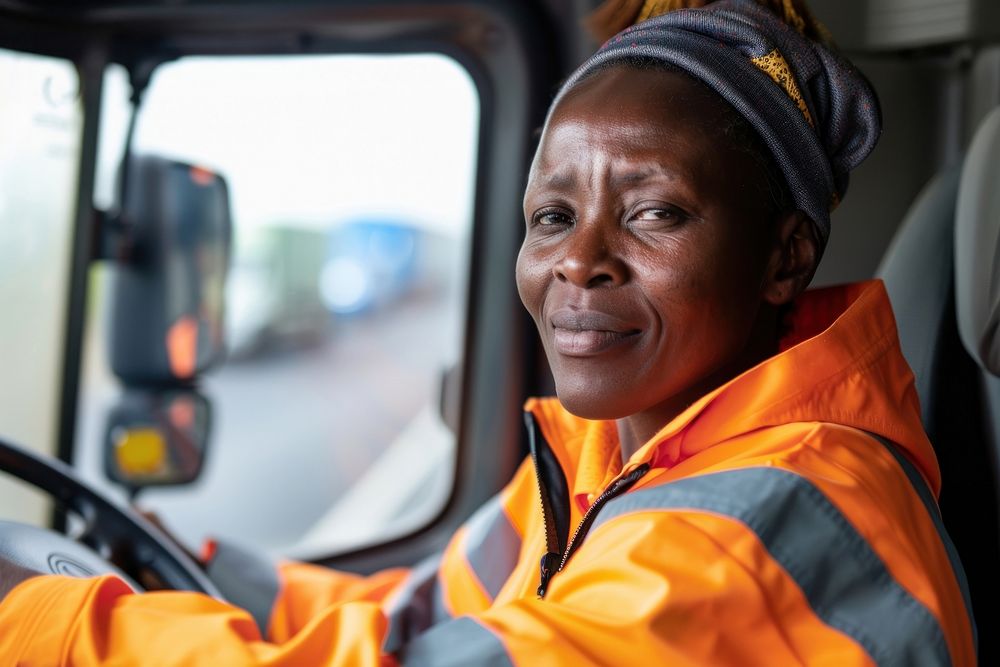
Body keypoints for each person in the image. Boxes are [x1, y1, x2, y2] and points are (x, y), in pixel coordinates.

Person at [0, 0, 978, 664]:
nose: (576, 261)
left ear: (783, 258)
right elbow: (420, 617)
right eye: (552, 217)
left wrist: (42, 621)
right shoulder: (614, 445)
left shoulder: (761, 530)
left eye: (653, 213)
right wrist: (205, 570)